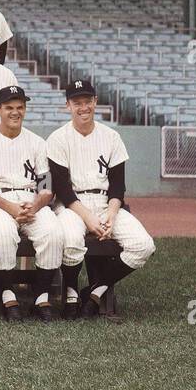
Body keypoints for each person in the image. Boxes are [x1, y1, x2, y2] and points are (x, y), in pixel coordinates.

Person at [48, 80, 155, 318]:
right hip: (72, 206)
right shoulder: (58, 138)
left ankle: (96, 290)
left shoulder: (111, 136)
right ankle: (72, 292)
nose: (83, 107)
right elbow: (63, 190)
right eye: (77, 102)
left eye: (88, 101)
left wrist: (111, 214)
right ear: (68, 105)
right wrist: (88, 219)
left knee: (143, 245)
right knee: (72, 239)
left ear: (95, 102)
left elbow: (118, 186)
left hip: (107, 204)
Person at [0, 85, 65, 322]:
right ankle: (8, 295)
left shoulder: (37, 142)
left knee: (53, 232)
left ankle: (41, 296)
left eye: (20, 107)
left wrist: (35, 206)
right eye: (9, 107)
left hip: (30, 199)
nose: (15, 112)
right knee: (2, 234)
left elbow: (46, 187)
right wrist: (10, 208)